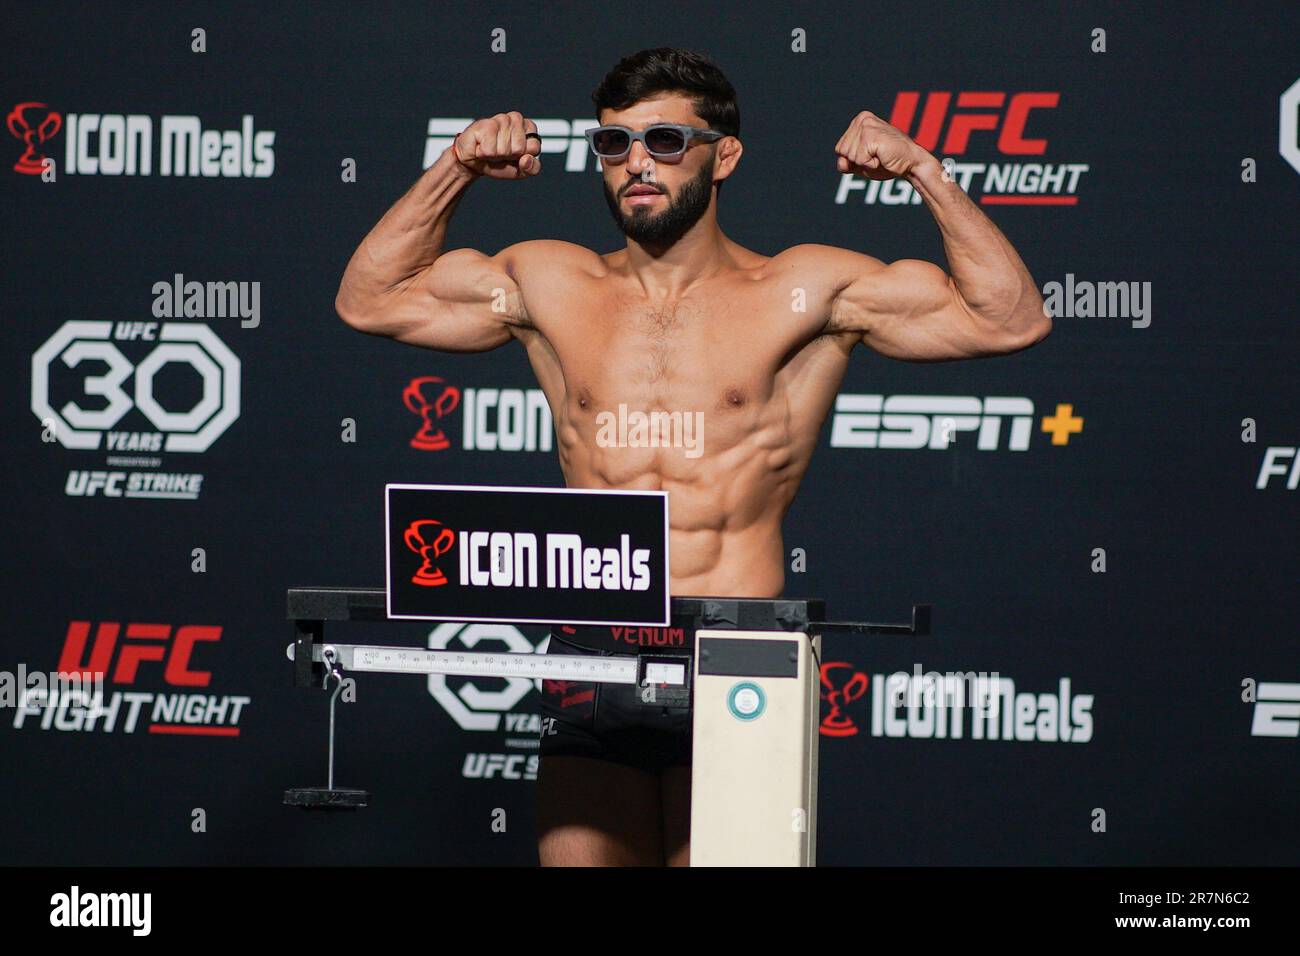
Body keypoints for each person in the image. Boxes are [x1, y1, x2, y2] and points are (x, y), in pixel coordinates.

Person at [334, 47, 1051, 866]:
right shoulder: (548, 283)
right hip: (591, 651)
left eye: (667, 141)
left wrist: (925, 169)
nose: (638, 163)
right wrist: (456, 166)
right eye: (615, 145)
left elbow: (1009, 320)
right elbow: (369, 301)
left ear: (725, 155)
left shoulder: (806, 289)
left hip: (737, 653)